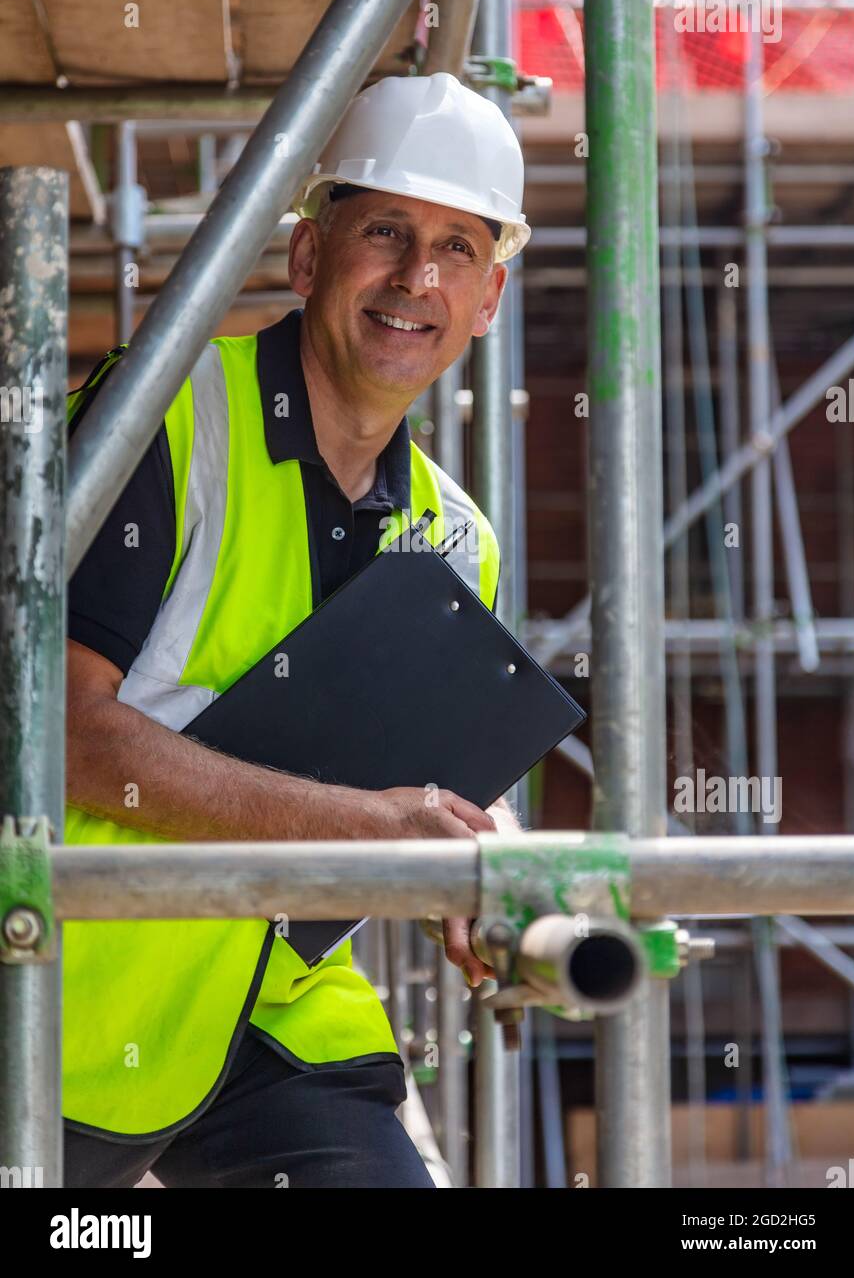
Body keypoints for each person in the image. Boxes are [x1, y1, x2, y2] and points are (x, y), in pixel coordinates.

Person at [63, 71, 532, 1188]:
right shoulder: (165, 417)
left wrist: (487, 858)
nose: (416, 277)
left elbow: (425, 788)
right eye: (385, 232)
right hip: (69, 989)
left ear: (490, 298)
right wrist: (377, 832)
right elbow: (62, 734)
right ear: (309, 257)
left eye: (456, 250)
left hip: (270, 1007)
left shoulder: (458, 540)